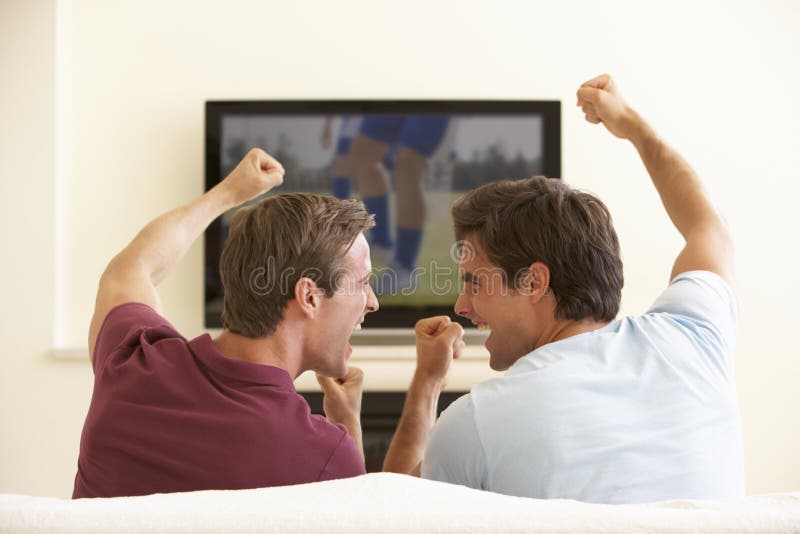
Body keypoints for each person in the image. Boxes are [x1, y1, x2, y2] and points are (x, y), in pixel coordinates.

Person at [383, 74, 744, 504]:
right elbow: (710, 227)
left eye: (474, 282)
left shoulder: (479, 421)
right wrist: (631, 125)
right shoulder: (693, 338)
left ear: (534, 281)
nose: (461, 305)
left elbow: (392, 510)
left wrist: (427, 380)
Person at [73, 148, 379, 498]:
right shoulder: (324, 456)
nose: (372, 302)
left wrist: (228, 193)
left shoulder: (130, 366)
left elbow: (131, 267)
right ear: (309, 297)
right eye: (363, 283)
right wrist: (347, 426)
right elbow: (359, 512)